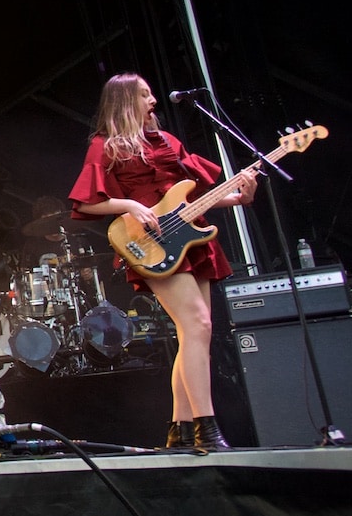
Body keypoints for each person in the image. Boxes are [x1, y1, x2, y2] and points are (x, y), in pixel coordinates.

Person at [66, 72, 255, 451]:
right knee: (197, 325)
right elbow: (86, 202)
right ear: (123, 102)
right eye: (144, 95)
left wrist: (237, 198)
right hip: (152, 243)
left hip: (190, 237)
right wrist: (131, 204)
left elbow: (194, 196)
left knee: (195, 333)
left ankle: (180, 429)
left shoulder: (167, 142)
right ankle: (207, 427)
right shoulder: (106, 146)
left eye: (152, 94)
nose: (153, 101)